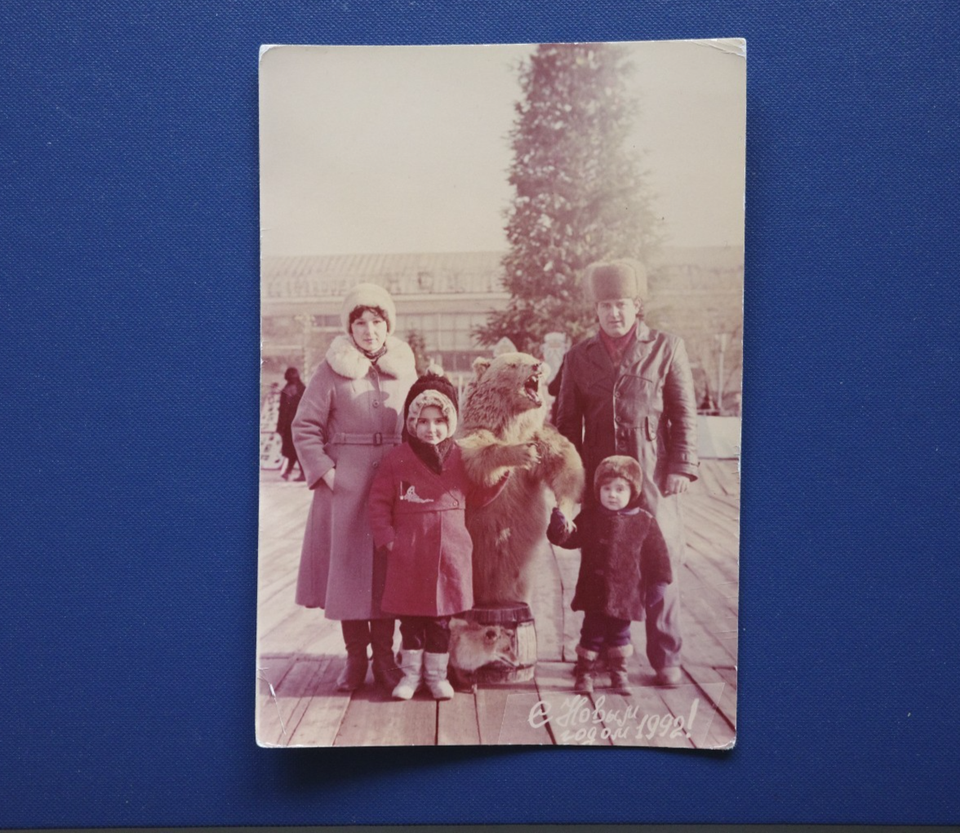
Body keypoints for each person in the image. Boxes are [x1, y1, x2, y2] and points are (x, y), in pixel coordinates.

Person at [555, 259, 698, 686]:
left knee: (661, 561)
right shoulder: (577, 358)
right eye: (605, 306)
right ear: (595, 310)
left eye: (621, 304)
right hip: (601, 483)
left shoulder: (667, 348)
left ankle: (666, 655)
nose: (613, 313)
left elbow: (683, 413)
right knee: (603, 563)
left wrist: (682, 467)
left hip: (653, 474)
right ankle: (599, 652)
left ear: (637, 305)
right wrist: (571, 483)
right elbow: (565, 427)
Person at [292, 283, 417, 692]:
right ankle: (354, 659)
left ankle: (384, 657)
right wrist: (328, 473)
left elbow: (419, 421)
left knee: (387, 571)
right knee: (348, 573)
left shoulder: (404, 366)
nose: (369, 330)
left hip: (392, 483)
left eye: (377, 322)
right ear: (350, 327)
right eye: (360, 323)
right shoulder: (331, 370)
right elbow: (304, 426)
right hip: (344, 488)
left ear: (388, 325)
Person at [367, 374, 477, 701]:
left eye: (440, 421)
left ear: (451, 421)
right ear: (412, 423)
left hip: (449, 553)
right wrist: (387, 538)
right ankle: (411, 675)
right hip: (409, 552)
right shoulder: (398, 458)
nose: (432, 429)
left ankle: (436, 676)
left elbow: (482, 492)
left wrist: (500, 471)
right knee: (412, 621)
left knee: (441, 621)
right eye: (423, 421)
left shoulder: (462, 455)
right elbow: (378, 501)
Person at [547, 456, 672, 695]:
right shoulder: (591, 517)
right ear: (598, 490)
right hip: (594, 592)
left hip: (626, 594)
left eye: (620, 489)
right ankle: (585, 674)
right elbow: (569, 539)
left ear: (632, 491)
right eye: (606, 489)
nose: (612, 495)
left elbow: (659, 558)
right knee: (590, 634)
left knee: (620, 636)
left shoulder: (644, 521)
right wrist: (559, 528)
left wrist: (657, 585)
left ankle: (619, 675)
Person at [276, 367, 306, 480]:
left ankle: (296, 473)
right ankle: (289, 472)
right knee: (293, 449)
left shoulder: (288, 390)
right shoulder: (302, 389)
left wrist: (280, 427)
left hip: (293, 424)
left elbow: (282, 411)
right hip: (295, 424)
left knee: (294, 449)